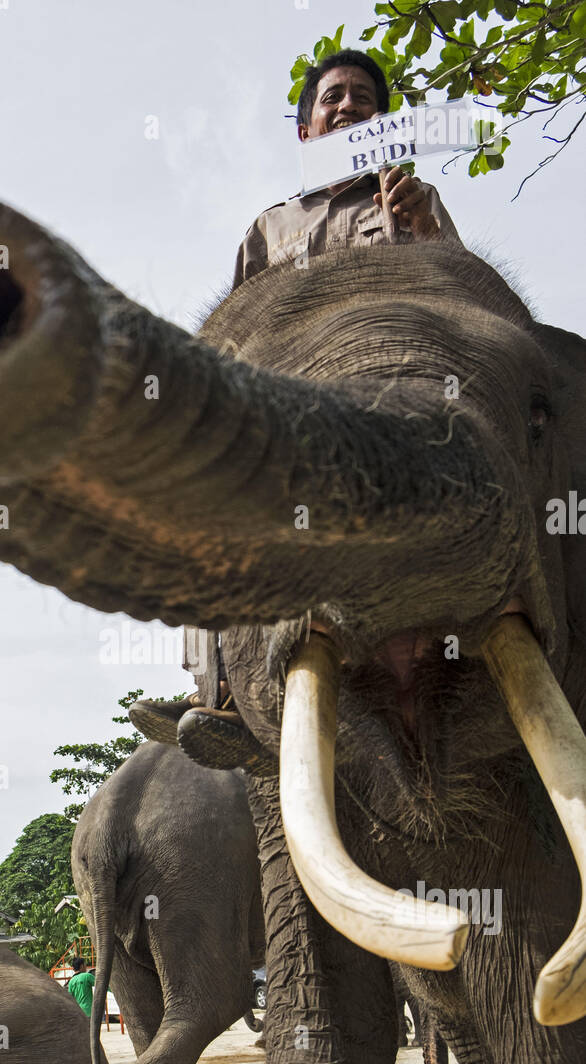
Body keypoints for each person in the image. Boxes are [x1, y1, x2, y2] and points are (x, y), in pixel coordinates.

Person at [129, 48, 461, 769]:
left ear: (385, 125)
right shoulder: (269, 229)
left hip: (393, 401)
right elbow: (234, 337)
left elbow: (463, 310)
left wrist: (427, 231)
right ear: (307, 130)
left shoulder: (411, 201)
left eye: (363, 99)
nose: (347, 106)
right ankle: (219, 694)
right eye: (332, 98)